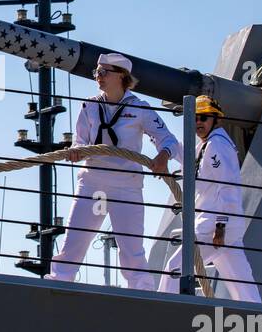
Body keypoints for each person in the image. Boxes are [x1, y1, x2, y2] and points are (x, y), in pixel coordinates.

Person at [47, 52, 180, 290]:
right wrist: (77, 151)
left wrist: (163, 157)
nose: (98, 76)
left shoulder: (140, 109)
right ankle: (58, 283)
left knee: (131, 249)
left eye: (103, 72)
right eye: (97, 72)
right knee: (74, 240)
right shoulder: (89, 105)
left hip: (126, 186)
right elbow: (80, 141)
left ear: (121, 76)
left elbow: (167, 139)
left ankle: (142, 292)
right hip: (92, 181)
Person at [158, 96, 261, 302]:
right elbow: (183, 154)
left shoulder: (216, 146)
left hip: (214, 227)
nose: (198, 122)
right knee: (243, 287)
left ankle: (160, 315)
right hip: (221, 226)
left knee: (174, 270)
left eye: (204, 118)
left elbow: (227, 186)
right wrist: (155, 132)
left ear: (216, 120)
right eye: (195, 118)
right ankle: (261, 325)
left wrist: (220, 226)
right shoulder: (206, 146)